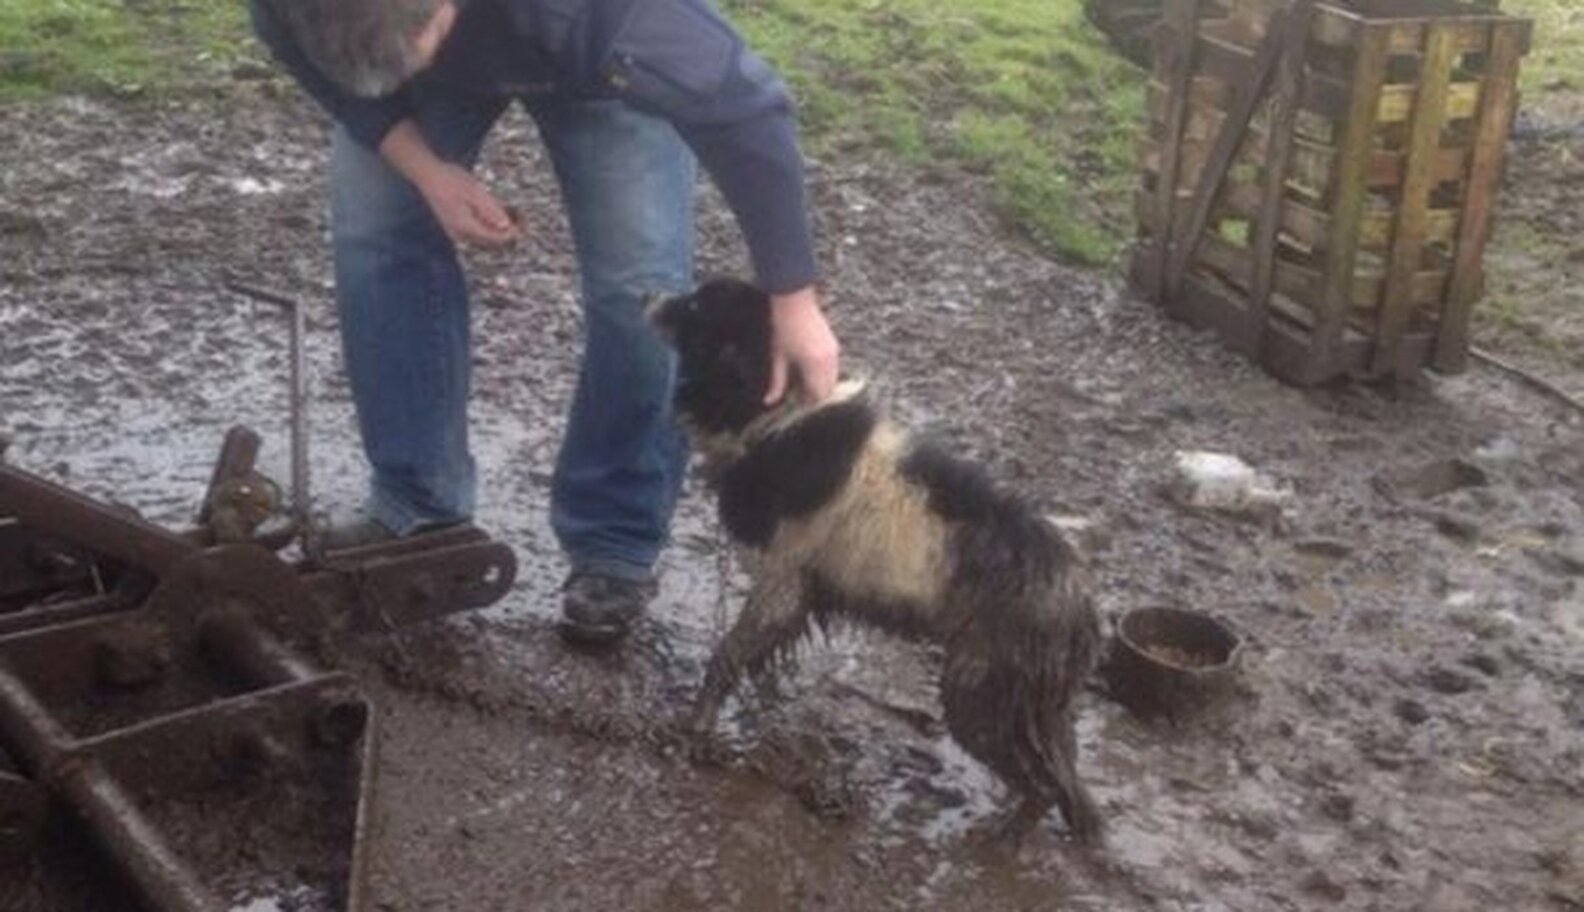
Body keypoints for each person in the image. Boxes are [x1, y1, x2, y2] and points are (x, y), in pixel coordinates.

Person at [249, 0, 840, 644]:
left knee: (638, 287)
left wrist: (794, 299)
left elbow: (742, 104)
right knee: (376, 226)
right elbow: (295, 46)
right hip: (449, 42)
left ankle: (616, 535)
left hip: (595, 56)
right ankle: (417, 507)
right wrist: (425, 171)